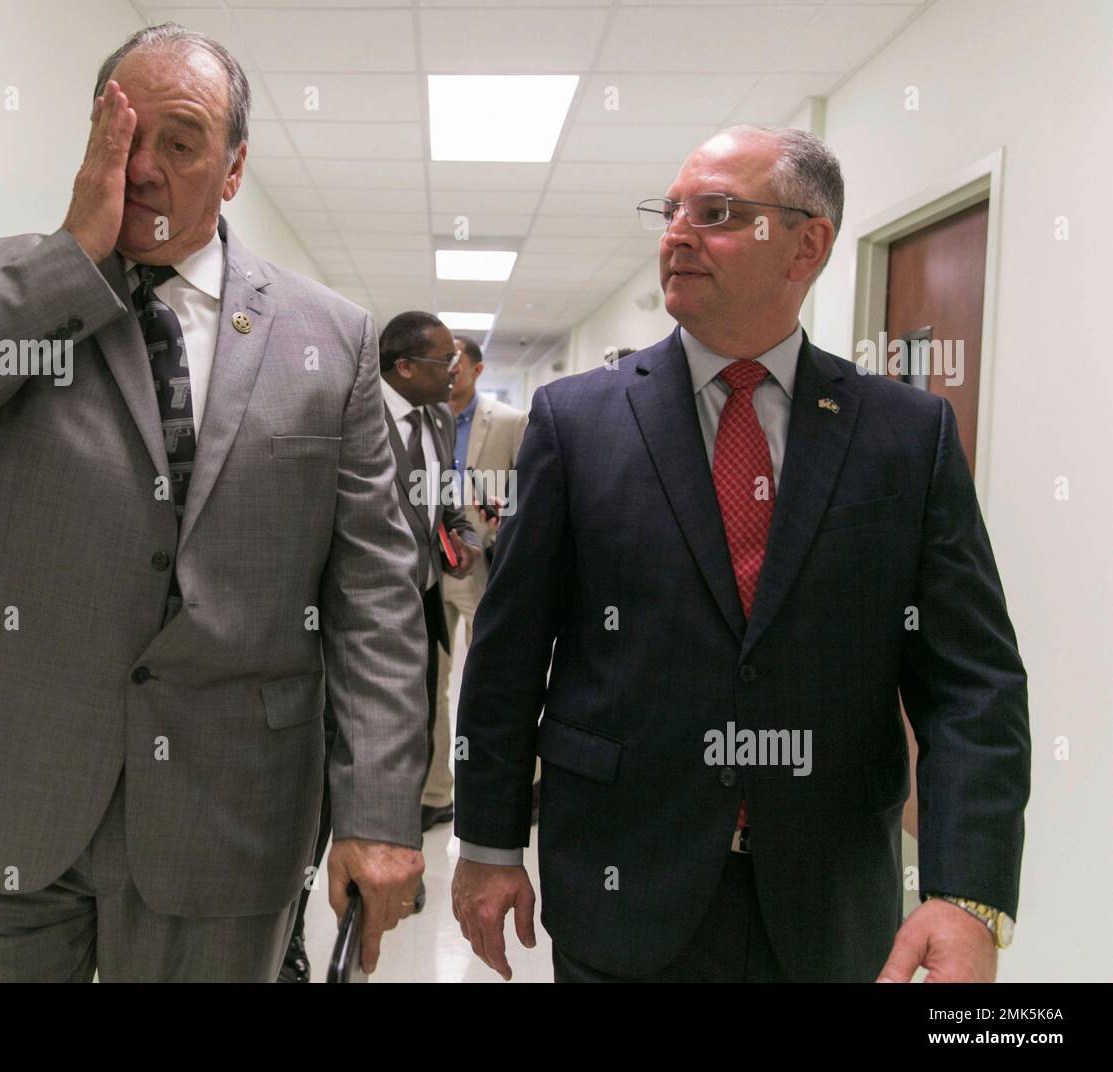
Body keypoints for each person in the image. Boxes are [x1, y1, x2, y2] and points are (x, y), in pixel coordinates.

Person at [0, 22, 427, 982]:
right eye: (122, 133)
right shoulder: (8, 284)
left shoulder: (333, 341)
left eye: (182, 141)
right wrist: (68, 265)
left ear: (234, 169)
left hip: (225, 815)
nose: (144, 166)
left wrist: (376, 811)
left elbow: (375, 599)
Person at [450, 125, 1030, 983]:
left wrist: (968, 893)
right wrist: (490, 841)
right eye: (671, 211)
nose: (676, 235)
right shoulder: (578, 422)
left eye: (716, 213)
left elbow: (971, 680)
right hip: (624, 879)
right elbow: (509, 651)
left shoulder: (907, 436)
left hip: (828, 900)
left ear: (808, 244)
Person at [278, 311, 480, 981]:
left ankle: (395, 850)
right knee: (325, 768)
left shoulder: (438, 421)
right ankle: (291, 930)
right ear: (402, 369)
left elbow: (442, 501)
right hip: (346, 620)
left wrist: (461, 540)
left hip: (418, 608)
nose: (457, 372)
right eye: (444, 361)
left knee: (412, 735)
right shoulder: (347, 414)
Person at [422, 334, 529, 832]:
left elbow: (528, 491)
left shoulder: (509, 422)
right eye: (441, 360)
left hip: (486, 567)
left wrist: (501, 522)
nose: (448, 368)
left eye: (456, 360)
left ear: (478, 370)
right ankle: (434, 792)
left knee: (496, 681)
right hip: (428, 569)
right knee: (428, 682)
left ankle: (514, 787)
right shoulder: (420, 419)